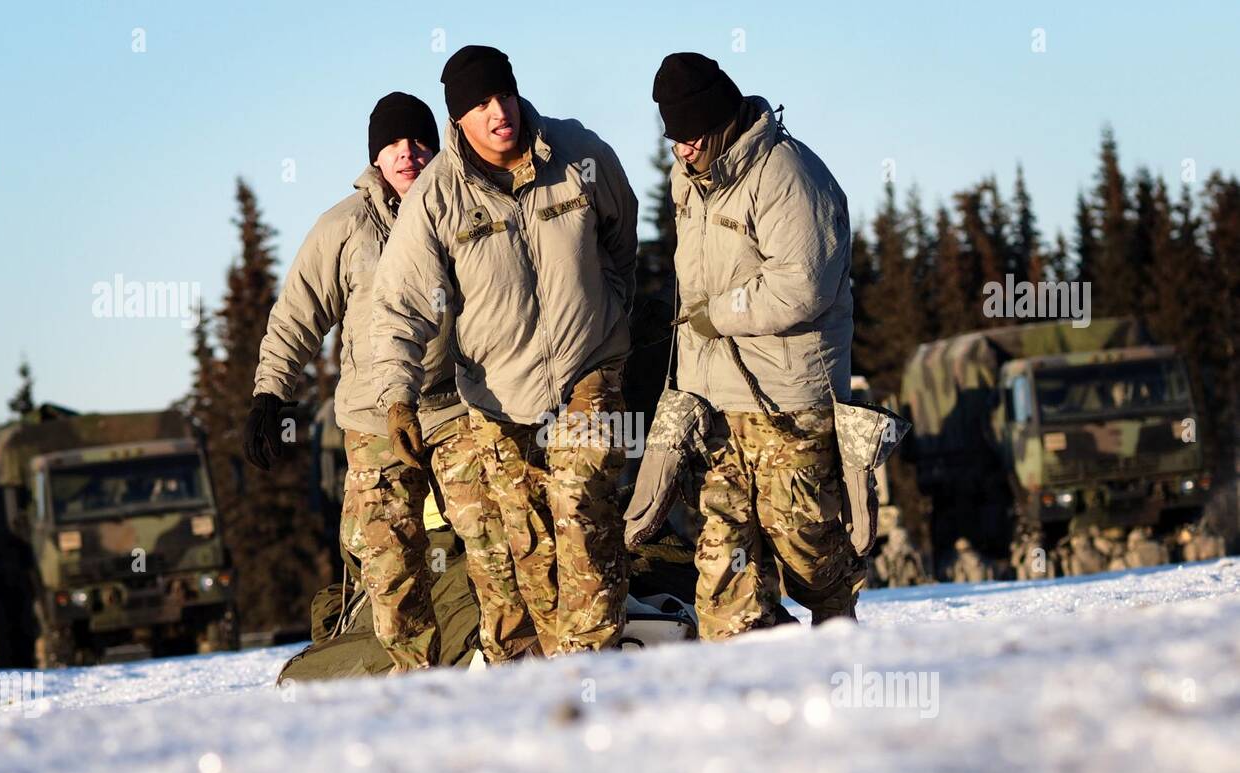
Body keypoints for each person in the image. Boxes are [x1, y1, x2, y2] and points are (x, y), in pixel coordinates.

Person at [361, 46, 639, 656]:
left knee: (580, 509)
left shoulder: (578, 154)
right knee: (529, 549)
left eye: (504, 95)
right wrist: (399, 397)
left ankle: (594, 670)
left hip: (587, 368)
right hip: (496, 396)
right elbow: (400, 305)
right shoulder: (436, 198)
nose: (498, 112)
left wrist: (611, 309)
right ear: (458, 119)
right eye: (480, 104)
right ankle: (546, 683)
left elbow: (622, 235)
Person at [244, 92, 531, 671]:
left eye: (420, 142)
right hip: (375, 421)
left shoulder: (464, 208)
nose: (408, 154)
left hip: (458, 410)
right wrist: (270, 393)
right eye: (394, 144)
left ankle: (513, 669)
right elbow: (297, 315)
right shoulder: (343, 229)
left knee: (494, 541)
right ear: (375, 156)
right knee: (390, 562)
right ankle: (413, 681)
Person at [652, 51, 865, 639]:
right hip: (716, 403)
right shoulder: (688, 180)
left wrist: (718, 315)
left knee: (809, 553)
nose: (684, 148)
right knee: (723, 565)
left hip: (786, 401)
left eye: (693, 135)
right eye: (674, 138)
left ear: (721, 118)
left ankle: (837, 645)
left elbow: (803, 285)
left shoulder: (789, 175)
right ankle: (751, 681)